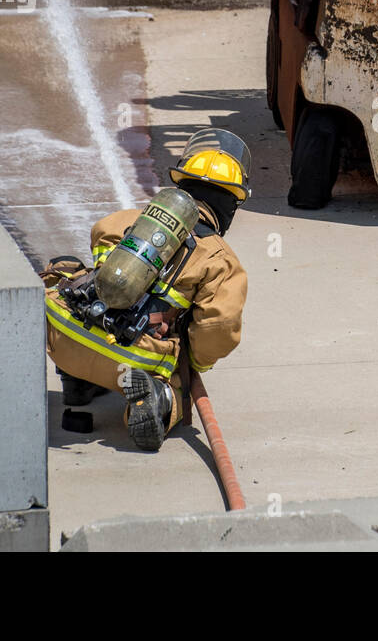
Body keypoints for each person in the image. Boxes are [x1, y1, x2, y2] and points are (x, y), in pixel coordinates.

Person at [43, 128, 250, 451]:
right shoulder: (222, 261)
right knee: (179, 382)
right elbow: (219, 328)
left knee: (70, 269)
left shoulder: (127, 220)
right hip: (132, 357)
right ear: (230, 206)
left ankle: (77, 383)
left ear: (180, 183)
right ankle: (157, 400)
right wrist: (192, 360)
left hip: (65, 336)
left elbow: (99, 248)